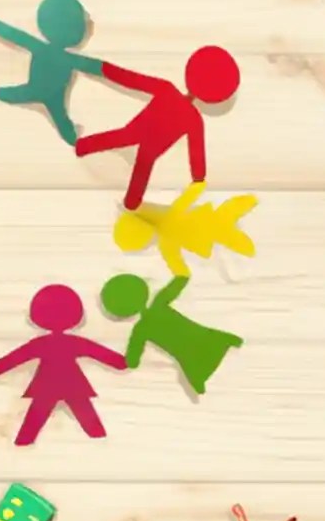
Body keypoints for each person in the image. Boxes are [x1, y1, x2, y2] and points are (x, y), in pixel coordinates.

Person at [75, 45, 240, 210]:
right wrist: (198, 177)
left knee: (124, 140)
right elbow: (196, 150)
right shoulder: (194, 119)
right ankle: (131, 203)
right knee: (143, 162)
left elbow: (132, 79)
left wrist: (104, 69)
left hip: (137, 130)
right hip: (152, 146)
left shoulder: (167, 89)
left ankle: (82, 147)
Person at [0, 284, 126, 446]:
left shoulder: (41, 343)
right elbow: (96, 351)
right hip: (72, 384)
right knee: (86, 417)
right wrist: (121, 362)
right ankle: (98, 438)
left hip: (47, 385)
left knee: (35, 420)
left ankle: (24, 441)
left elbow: (19, 356)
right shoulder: (73, 342)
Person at [0, 0, 104, 146]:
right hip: (52, 94)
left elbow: (16, 36)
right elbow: (94, 66)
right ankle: (72, 138)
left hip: (44, 91)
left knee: (7, 94)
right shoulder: (68, 58)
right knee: (60, 117)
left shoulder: (40, 47)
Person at [99, 274, 242, 395]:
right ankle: (227, 342)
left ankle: (200, 377)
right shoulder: (158, 303)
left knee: (193, 362)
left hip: (185, 352)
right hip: (198, 336)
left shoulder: (140, 329)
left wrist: (124, 360)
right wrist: (181, 275)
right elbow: (176, 285)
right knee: (208, 339)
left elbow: (133, 359)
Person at [113, 181, 257, 277]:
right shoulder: (166, 238)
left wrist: (196, 188)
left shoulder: (166, 234)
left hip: (207, 224)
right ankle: (247, 209)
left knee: (228, 227)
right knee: (229, 231)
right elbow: (175, 261)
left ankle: (247, 208)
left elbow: (175, 262)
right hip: (207, 227)